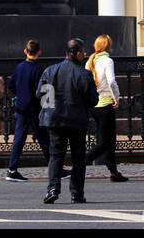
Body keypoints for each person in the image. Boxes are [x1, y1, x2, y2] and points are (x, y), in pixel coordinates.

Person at [37, 38, 98, 205]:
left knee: (56, 156)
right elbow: (93, 100)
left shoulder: (50, 71)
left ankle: (53, 189)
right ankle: (76, 193)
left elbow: (41, 95)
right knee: (78, 158)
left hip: (55, 121)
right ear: (78, 54)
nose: (85, 55)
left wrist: (51, 110)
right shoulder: (84, 74)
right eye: (84, 53)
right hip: (76, 122)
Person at [5, 38, 50, 182]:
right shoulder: (38, 70)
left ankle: (12, 169)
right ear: (39, 52)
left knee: (19, 138)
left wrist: (21, 94)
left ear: (25, 51)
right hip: (35, 108)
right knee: (44, 139)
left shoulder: (19, 67)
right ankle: (55, 167)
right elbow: (43, 91)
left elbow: (11, 85)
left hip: (22, 107)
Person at [85, 34, 128, 182]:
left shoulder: (90, 61)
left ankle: (114, 172)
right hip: (105, 105)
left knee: (109, 140)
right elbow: (111, 82)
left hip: (94, 106)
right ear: (108, 46)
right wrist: (117, 98)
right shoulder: (107, 61)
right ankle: (81, 163)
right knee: (106, 141)